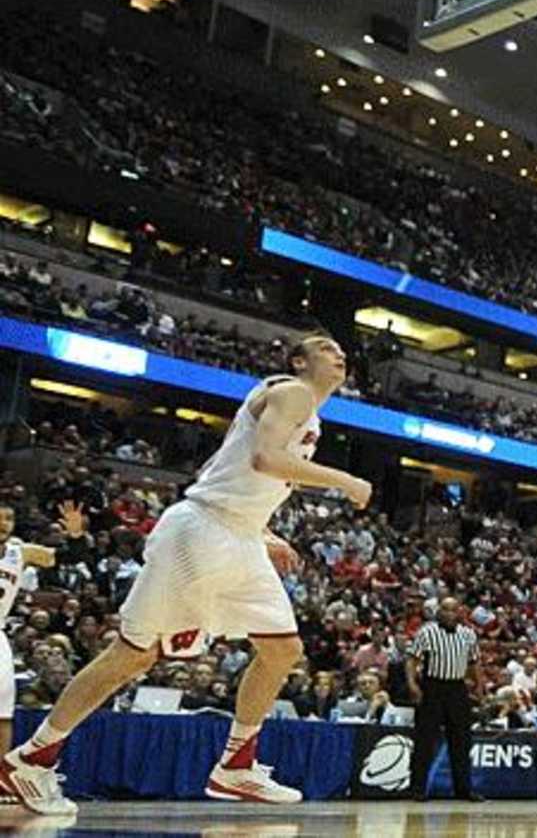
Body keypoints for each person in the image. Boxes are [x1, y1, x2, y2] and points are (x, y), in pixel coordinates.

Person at [0, 334, 372, 813]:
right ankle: (32, 759)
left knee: (283, 649)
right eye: (323, 346)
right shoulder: (292, 391)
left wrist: (261, 531)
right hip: (202, 534)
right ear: (299, 360)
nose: (337, 351)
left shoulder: (306, 412)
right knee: (133, 656)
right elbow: (265, 459)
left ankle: (237, 765)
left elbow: (228, 469)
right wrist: (345, 481)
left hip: (237, 536)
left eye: (340, 347)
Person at [404, 597, 483, 802]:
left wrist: (479, 686)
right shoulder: (426, 632)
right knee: (424, 741)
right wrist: (412, 684)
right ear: (439, 612)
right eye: (445, 610)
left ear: (460, 613)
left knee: (461, 742)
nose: (449, 613)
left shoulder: (468, 635)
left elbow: (474, 663)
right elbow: (412, 659)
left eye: (453, 610)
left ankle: (463, 789)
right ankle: (418, 789)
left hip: (457, 689)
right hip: (433, 688)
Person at [0, 505, 57, 759]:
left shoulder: (18, 552)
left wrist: (75, 536)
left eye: (9, 518)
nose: (4, 523)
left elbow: (50, 557)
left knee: (3, 713)